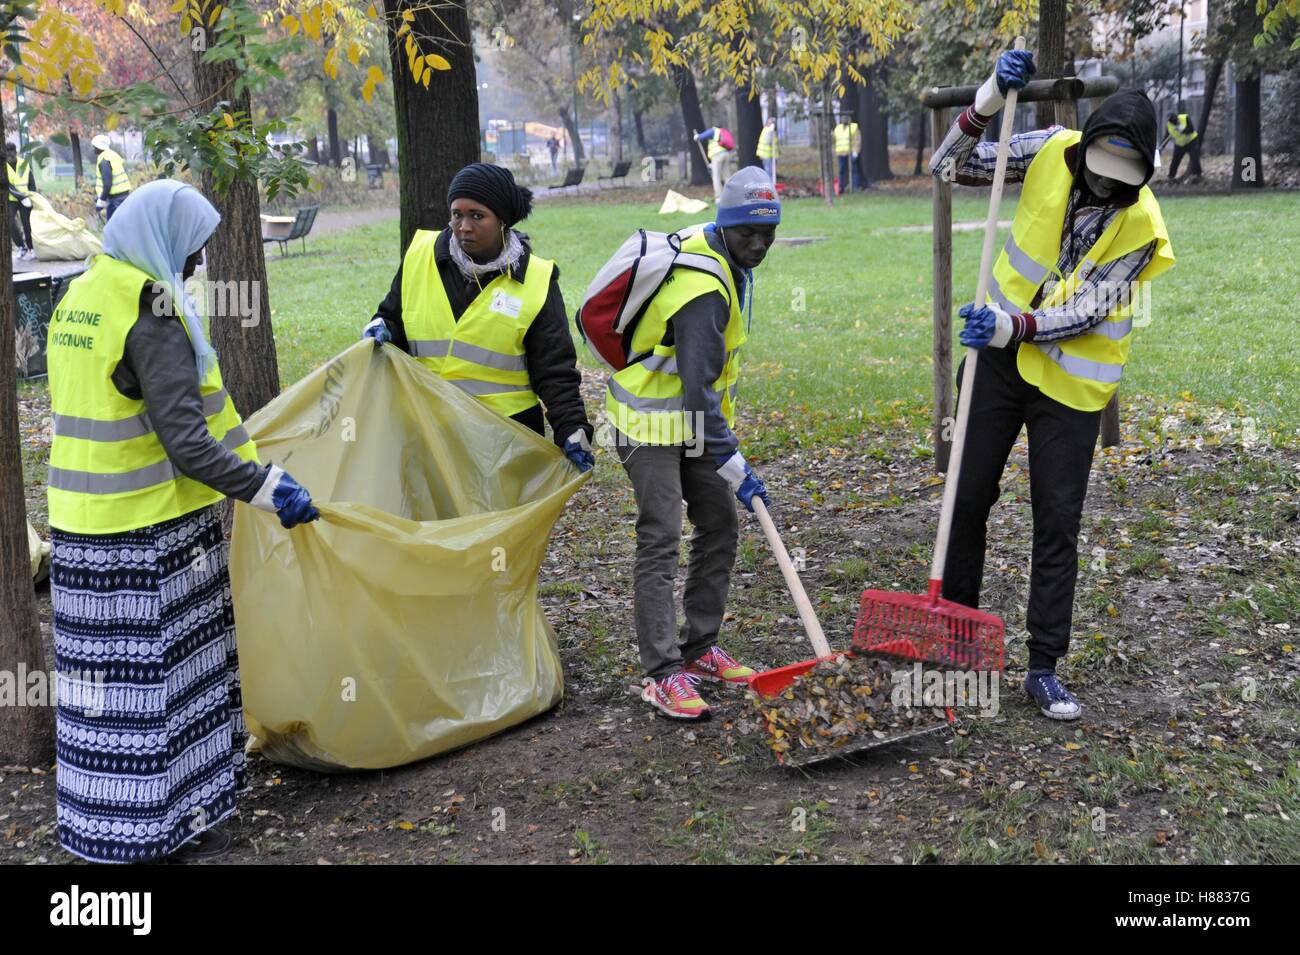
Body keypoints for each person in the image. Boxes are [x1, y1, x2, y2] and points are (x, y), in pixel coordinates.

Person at [45, 179, 320, 863]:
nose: (197, 264)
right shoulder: (153, 310)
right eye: (192, 249)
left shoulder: (81, 294)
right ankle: (164, 828)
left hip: (80, 537)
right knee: (169, 688)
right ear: (164, 241)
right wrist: (264, 485)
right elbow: (187, 443)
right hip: (150, 540)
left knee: (99, 698)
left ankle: (100, 828)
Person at [929, 49, 1174, 721]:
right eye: (1100, 166)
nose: (1105, 185)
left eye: (1122, 176)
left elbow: (1090, 308)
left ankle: (1043, 666)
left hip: (1071, 383)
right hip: (997, 362)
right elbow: (947, 165)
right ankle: (955, 642)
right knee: (965, 497)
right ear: (1086, 148)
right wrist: (984, 101)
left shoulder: (1143, 225)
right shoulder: (1048, 150)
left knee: (1056, 520)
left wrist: (1014, 326)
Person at [606, 167, 780, 720]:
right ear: (724, 225)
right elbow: (699, 391)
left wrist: (724, 457)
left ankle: (700, 647)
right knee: (661, 536)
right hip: (651, 424)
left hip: (694, 425)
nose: (759, 244)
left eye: (769, 233)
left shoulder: (723, 258)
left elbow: (703, 397)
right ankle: (662, 673)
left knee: (720, 524)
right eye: (748, 233)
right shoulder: (703, 290)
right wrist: (733, 463)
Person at [362, 162, 593, 471]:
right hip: (429, 433)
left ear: (502, 221)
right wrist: (382, 327)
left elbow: (555, 370)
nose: (463, 227)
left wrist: (572, 428)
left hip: (504, 442)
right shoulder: (420, 256)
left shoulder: (536, 280)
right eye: (457, 214)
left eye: (477, 216)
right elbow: (393, 317)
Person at [91, 133, 132, 222]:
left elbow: (107, 184)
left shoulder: (104, 160)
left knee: (113, 229)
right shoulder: (112, 155)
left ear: (99, 147)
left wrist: (101, 201)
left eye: (94, 147)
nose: (93, 149)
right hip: (123, 196)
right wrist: (101, 197)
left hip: (115, 200)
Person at [6, 141, 35, 260]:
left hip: (26, 198)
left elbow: (32, 183)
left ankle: (31, 247)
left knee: (27, 223)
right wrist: (21, 198)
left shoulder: (24, 164)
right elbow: (8, 186)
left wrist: (32, 197)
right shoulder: (3, 166)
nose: (9, 157)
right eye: (7, 155)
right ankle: (21, 247)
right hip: (12, 199)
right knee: (9, 222)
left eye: (11, 154)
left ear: (15, 152)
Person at [694, 126, 734, 199]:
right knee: (727, 176)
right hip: (726, 154)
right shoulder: (723, 132)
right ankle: (730, 195)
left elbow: (703, 136)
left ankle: (719, 197)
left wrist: (697, 136)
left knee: (716, 177)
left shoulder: (714, 130)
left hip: (717, 156)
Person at [1165, 110, 1200, 181]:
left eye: (1175, 120)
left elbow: (1191, 130)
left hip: (1191, 141)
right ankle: (1171, 177)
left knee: (1194, 157)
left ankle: (1197, 175)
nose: (1174, 122)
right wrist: (1162, 147)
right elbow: (1167, 136)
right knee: (1175, 160)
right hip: (1179, 144)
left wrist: (1182, 130)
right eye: (1172, 121)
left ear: (1176, 117)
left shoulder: (1185, 118)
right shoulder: (1169, 125)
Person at [833, 113, 862, 192]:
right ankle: (841, 187)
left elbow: (857, 140)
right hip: (840, 153)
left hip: (850, 152)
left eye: (846, 118)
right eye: (842, 118)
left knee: (853, 170)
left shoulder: (853, 127)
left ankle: (855, 186)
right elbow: (834, 139)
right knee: (842, 171)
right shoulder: (838, 128)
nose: (844, 119)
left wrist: (855, 151)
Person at [757, 117, 779, 182]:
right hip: (766, 155)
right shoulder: (768, 131)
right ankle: (769, 184)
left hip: (769, 154)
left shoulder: (770, 131)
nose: (774, 124)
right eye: (772, 122)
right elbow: (768, 141)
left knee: (770, 170)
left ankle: (770, 183)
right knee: (768, 170)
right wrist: (771, 131)